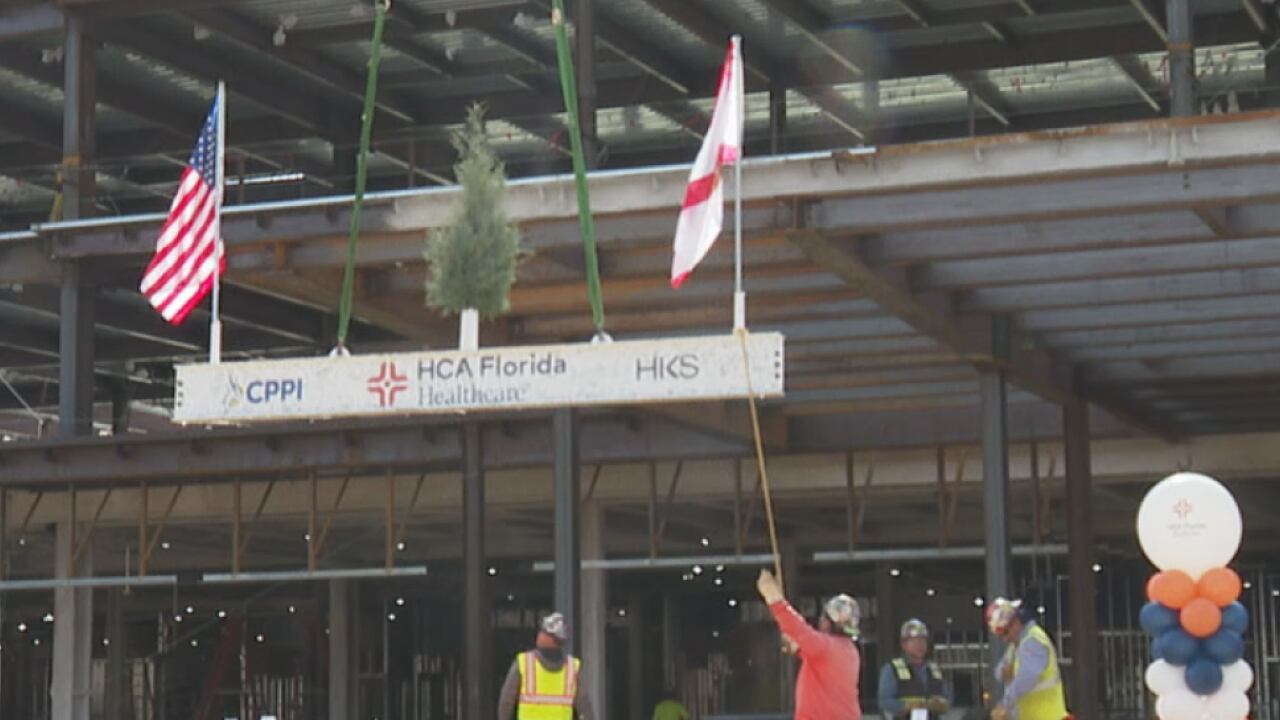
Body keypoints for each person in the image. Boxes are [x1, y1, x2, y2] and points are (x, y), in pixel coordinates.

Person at [755, 569, 862, 720]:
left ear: (827, 621)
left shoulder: (826, 647)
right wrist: (795, 642)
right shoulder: (850, 651)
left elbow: (798, 629)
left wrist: (773, 598)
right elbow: (806, 646)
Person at [498, 613, 596, 720]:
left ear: (550, 638)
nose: (539, 635)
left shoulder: (524, 663)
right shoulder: (572, 668)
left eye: (543, 632)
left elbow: (506, 702)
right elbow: (585, 708)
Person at [985, 598, 1069, 720]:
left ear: (1016, 622)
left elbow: (1027, 678)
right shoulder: (1016, 645)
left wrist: (1005, 705)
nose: (1005, 639)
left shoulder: (1033, 642)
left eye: (1005, 632)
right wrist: (1003, 672)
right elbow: (999, 670)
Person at [877, 619, 951, 718]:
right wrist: (907, 706)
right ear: (904, 645)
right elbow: (884, 701)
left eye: (923, 640)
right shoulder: (892, 669)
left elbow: (947, 697)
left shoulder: (934, 670)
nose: (920, 644)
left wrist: (942, 704)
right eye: (914, 641)